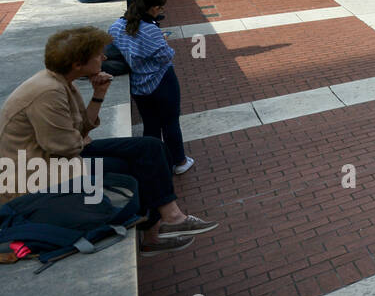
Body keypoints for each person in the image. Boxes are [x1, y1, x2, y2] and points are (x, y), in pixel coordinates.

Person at [0, 27, 217, 255]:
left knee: (151, 147)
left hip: (59, 155)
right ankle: (156, 231)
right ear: (77, 63)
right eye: (98, 54)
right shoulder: (48, 92)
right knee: (132, 167)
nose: (104, 57)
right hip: (37, 171)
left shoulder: (60, 82)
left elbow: (81, 129)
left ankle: (170, 218)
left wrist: (99, 94)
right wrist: (80, 137)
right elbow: (64, 146)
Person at [108, 0, 192, 174]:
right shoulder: (150, 30)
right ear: (153, 8)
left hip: (138, 85)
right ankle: (179, 161)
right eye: (160, 7)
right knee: (170, 122)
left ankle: (154, 161)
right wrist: (162, 40)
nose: (161, 10)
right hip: (161, 81)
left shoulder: (116, 26)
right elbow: (166, 56)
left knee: (151, 125)